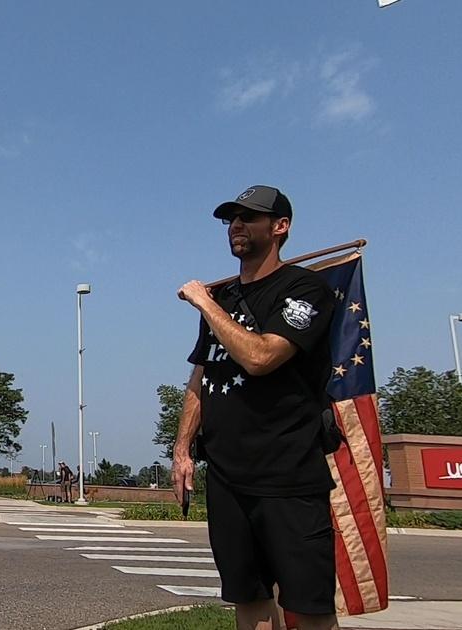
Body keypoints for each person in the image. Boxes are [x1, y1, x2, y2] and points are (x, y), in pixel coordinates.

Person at [172, 186, 338, 630]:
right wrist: (182, 451)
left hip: (287, 475)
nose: (237, 226)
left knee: (307, 609)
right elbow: (201, 376)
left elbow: (261, 357)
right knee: (250, 603)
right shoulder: (224, 299)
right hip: (228, 477)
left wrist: (204, 304)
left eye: (249, 217)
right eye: (232, 219)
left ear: (280, 227)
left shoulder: (305, 289)